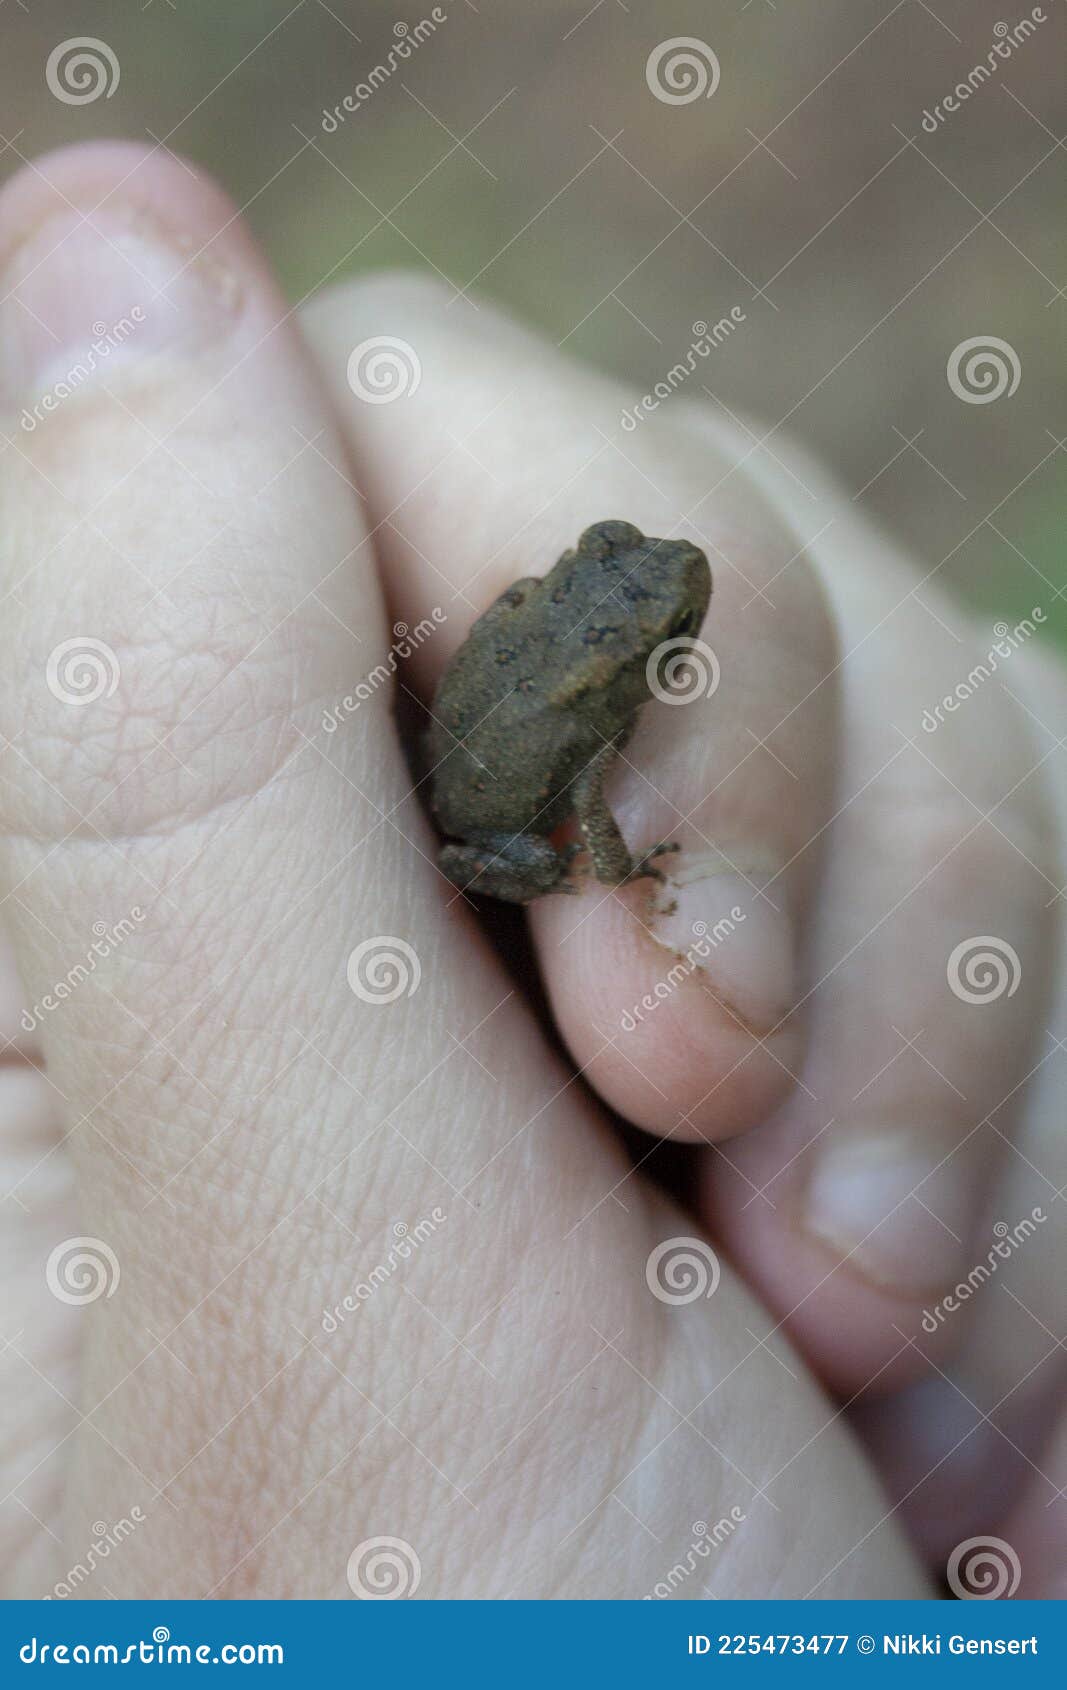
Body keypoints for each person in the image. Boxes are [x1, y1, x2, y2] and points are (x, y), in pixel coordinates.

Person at [1, 144, 1063, 1600]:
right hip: (485, 821)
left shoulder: (564, 643)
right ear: (607, 622)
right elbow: (568, 806)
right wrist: (623, 876)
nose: (658, 579)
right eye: (623, 573)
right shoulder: (595, 703)